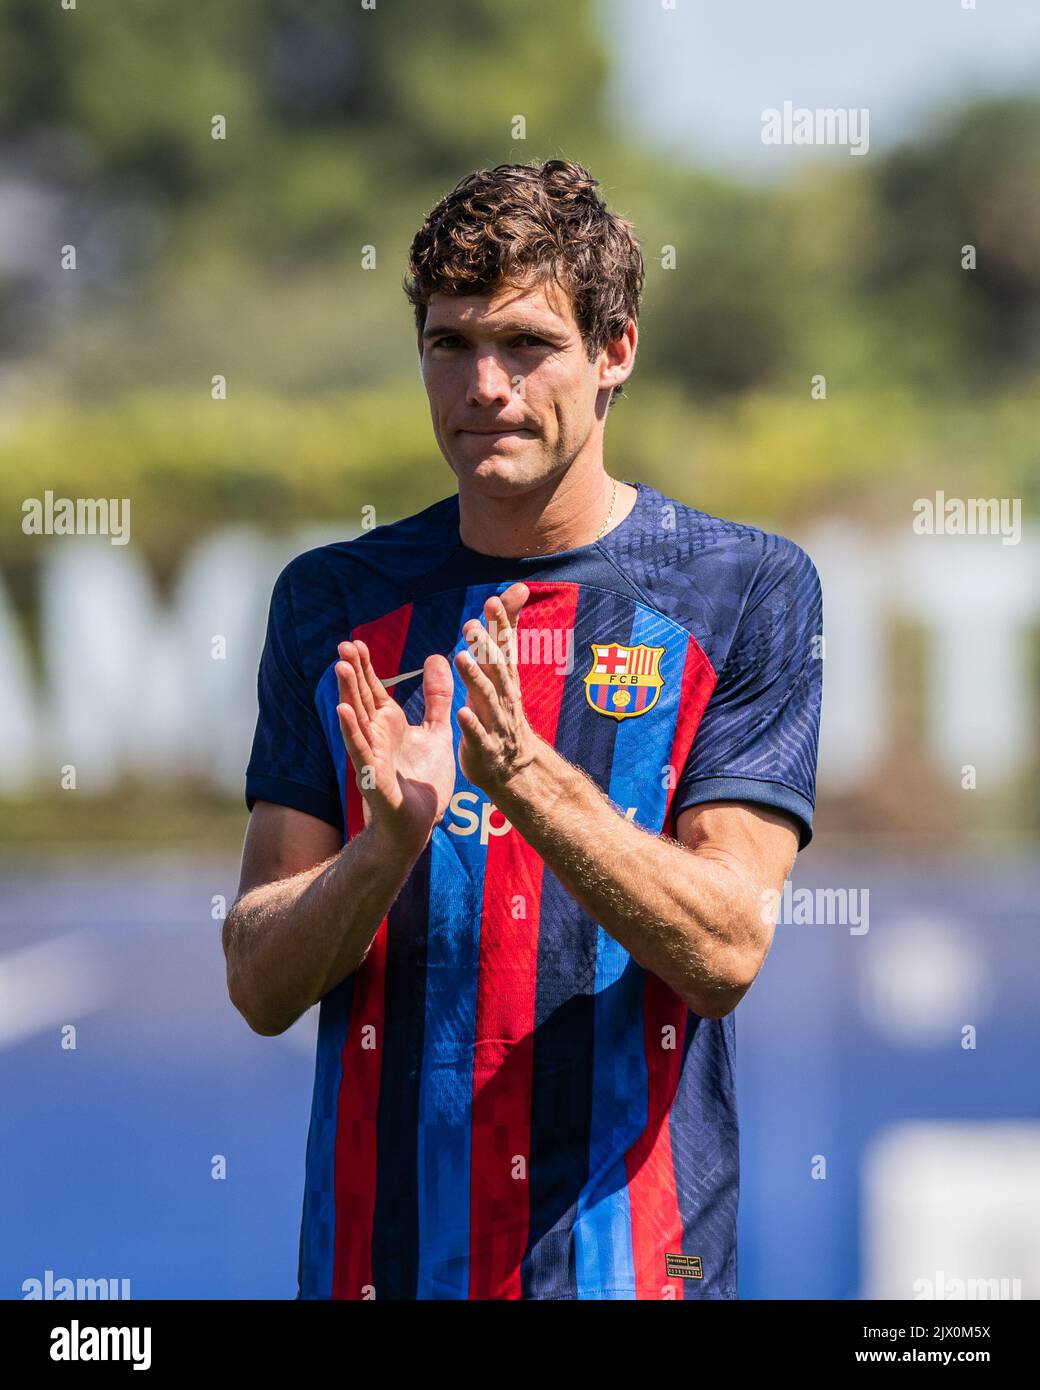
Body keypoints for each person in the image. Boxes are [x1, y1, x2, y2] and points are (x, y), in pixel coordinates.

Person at [223, 158, 823, 1301]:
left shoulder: (744, 589)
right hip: (372, 1270)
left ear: (615, 353)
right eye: (449, 344)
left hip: (639, 1275)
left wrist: (523, 780)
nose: (483, 385)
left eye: (526, 345)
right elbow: (258, 978)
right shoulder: (328, 601)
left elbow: (726, 948)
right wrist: (379, 852)